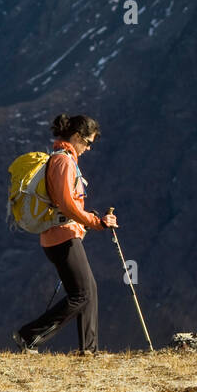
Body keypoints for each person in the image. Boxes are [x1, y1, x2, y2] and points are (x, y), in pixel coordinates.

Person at [12, 114, 118, 355]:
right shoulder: (64, 162)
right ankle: (29, 336)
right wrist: (94, 221)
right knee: (82, 293)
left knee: (87, 290)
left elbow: (67, 206)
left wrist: (91, 220)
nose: (89, 148)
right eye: (88, 142)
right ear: (77, 136)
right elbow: (66, 203)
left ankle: (89, 351)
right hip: (62, 237)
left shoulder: (64, 159)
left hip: (59, 235)